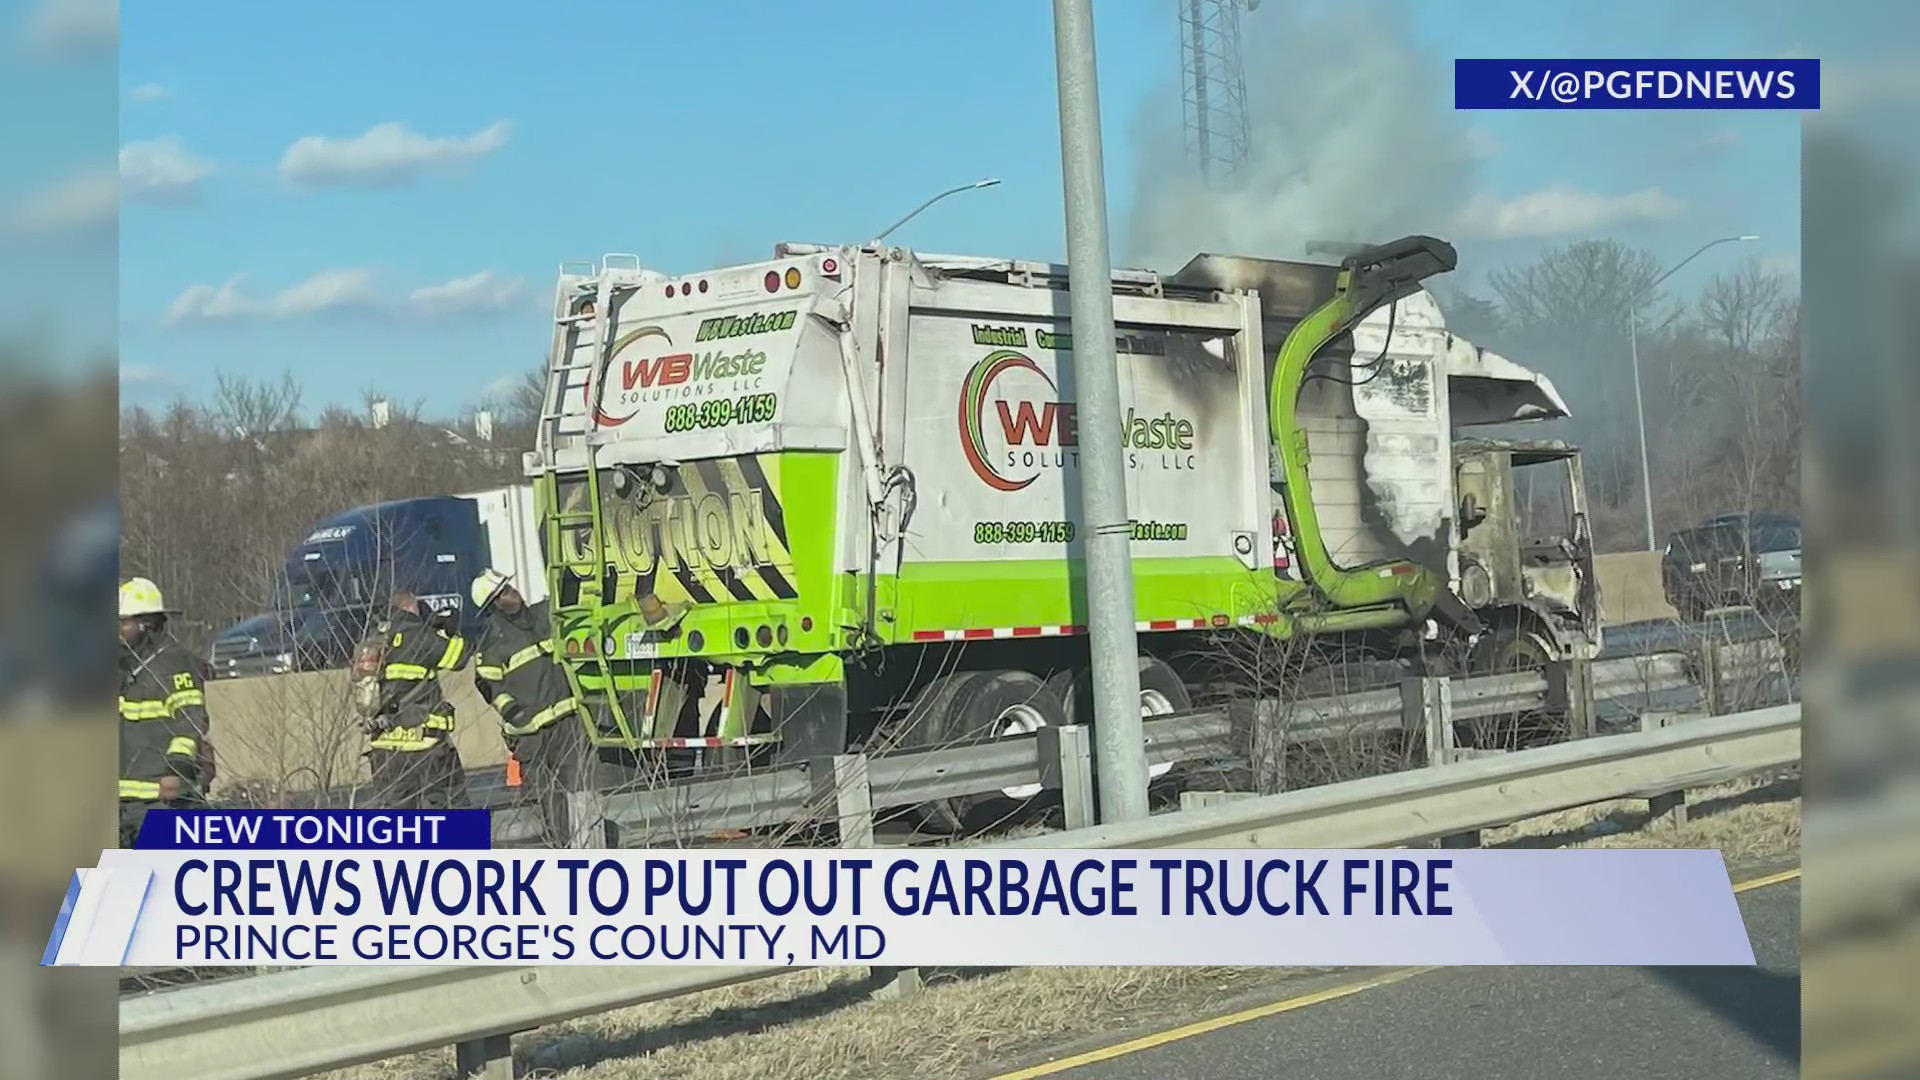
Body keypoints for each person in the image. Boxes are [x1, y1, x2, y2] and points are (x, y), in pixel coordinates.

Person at [469, 569, 595, 844]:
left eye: (509, 587)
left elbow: (566, 596)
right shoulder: (492, 642)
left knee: (580, 787)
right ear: (493, 604)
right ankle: (560, 847)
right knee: (546, 796)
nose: (512, 593)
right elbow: (487, 684)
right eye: (503, 592)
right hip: (530, 734)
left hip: (567, 721)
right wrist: (511, 709)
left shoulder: (543, 615)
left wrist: (572, 575)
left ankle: (585, 846)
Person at [118, 577, 212, 847]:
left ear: (146, 624)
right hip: (123, 804)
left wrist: (177, 770)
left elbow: (189, 722)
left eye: (124, 623)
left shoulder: (175, 664)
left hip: (161, 799)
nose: (117, 631)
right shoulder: (122, 667)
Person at [364, 591, 473, 810]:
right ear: (411, 607)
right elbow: (460, 656)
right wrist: (450, 629)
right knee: (450, 803)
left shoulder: (374, 641)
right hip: (426, 743)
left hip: (384, 748)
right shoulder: (420, 635)